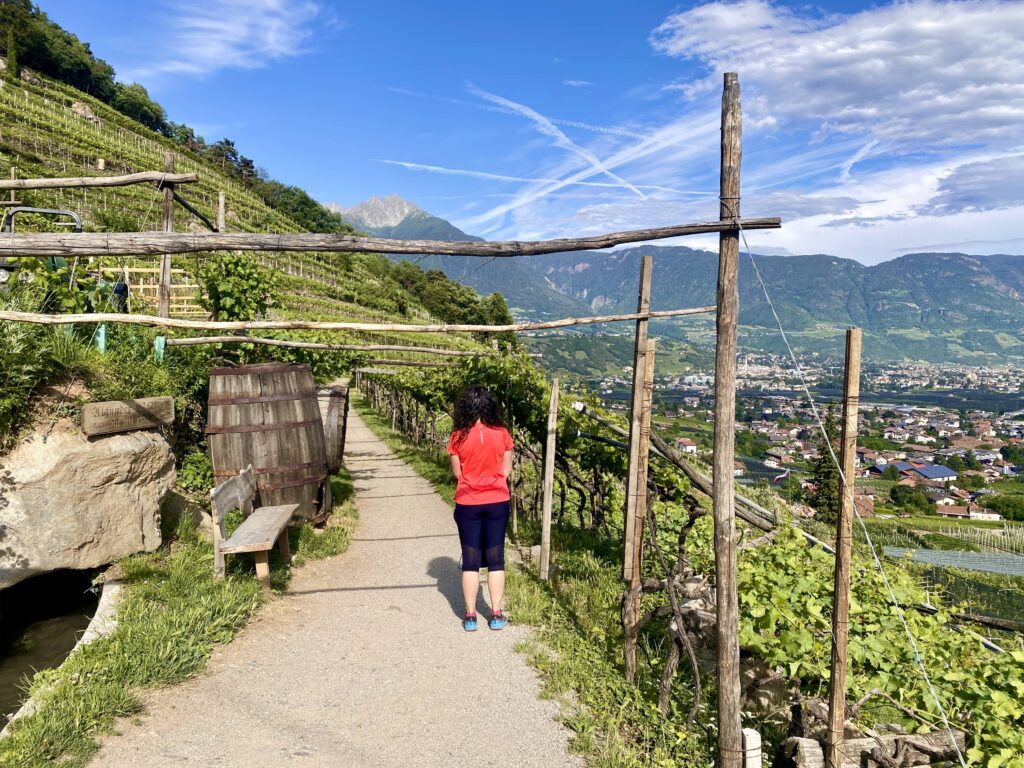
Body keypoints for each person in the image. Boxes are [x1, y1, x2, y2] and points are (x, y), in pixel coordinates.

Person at [446, 385, 514, 632]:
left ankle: (471, 617)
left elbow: (457, 473)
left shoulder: (457, 437)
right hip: (497, 500)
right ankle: (495, 614)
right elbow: (506, 469)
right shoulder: (502, 434)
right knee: (496, 559)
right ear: (490, 406)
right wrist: (492, 480)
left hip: (468, 502)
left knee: (470, 559)